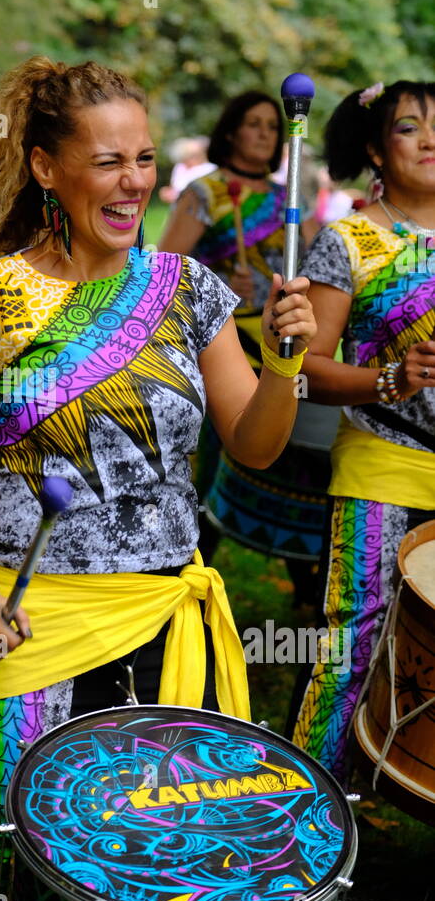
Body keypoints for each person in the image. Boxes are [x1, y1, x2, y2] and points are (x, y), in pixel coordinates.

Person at [0, 56, 316, 901]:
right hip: (24, 619)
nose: (132, 182)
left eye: (144, 161)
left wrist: (284, 361)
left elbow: (252, 440)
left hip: (163, 620)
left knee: (152, 859)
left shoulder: (188, 289)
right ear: (45, 167)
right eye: (106, 161)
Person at [291, 80, 435, 778]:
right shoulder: (348, 240)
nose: (433, 141)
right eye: (412, 129)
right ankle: (308, 812)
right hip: (383, 453)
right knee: (359, 638)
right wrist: (392, 378)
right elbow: (308, 369)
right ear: (377, 148)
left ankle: (407, 780)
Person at [159, 92, 327, 601]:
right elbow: (165, 268)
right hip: (219, 342)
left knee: (285, 448)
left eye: (271, 128)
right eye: (251, 125)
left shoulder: (288, 201)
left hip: (277, 344)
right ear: (230, 131)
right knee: (215, 455)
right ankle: (188, 569)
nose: (262, 134)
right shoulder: (204, 193)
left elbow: (315, 272)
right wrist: (221, 282)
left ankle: (300, 575)